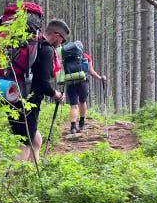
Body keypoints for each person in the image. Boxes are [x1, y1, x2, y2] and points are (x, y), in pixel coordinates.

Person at [8, 19, 67, 162]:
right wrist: (56, 94)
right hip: (28, 102)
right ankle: (15, 180)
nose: (61, 44)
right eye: (62, 40)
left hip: (14, 95)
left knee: (36, 140)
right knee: (24, 143)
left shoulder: (33, 43)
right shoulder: (45, 49)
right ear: (57, 35)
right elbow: (43, 84)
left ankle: (32, 174)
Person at [65, 45, 106, 134]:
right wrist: (100, 78)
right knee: (82, 102)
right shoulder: (86, 56)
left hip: (70, 83)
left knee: (73, 105)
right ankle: (82, 124)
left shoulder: (67, 57)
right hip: (82, 82)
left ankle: (72, 127)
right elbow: (91, 72)